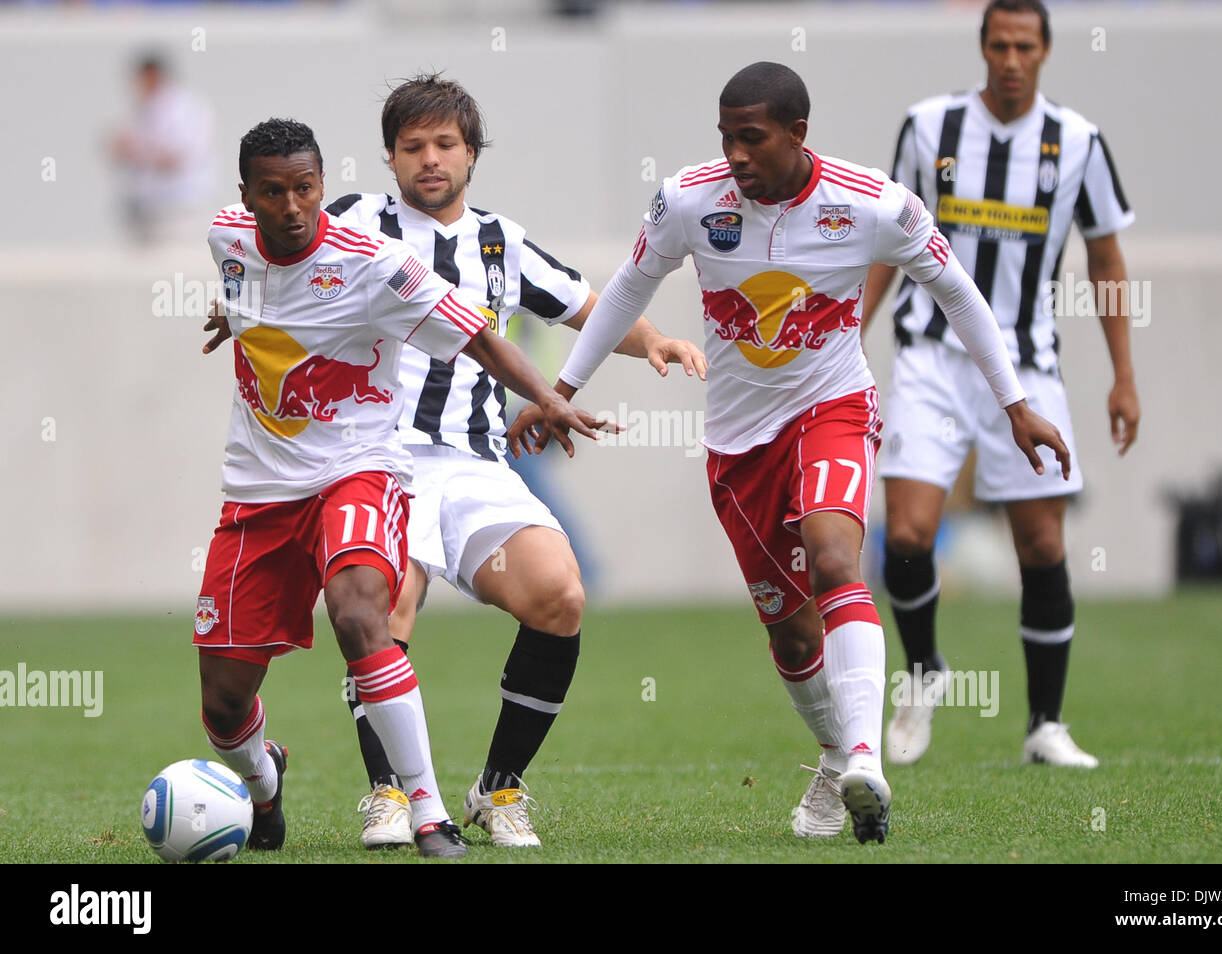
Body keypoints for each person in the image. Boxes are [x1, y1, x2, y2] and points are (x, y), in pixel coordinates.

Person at [522, 61, 1070, 844]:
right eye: (726, 137)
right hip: (739, 440)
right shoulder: (688, 199)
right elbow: (628, 290)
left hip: (834, 406)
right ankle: (832, 756)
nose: (736, 154)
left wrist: (1014, 404)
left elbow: (957, 292)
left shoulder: (874, 203)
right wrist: (563, 388)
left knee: (834, 554)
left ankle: (865, 760)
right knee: (790, 632)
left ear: (797, 133)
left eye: (752, 138)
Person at [195, 117, 601, 859]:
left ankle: (426, 809)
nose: (291, 207)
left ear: (323, 184)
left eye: (306, 189)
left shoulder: (375, 260)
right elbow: (257, 290)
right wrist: (237, 314)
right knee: (222, 706)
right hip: (257, 491)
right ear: (245, 196)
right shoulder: (227, 238)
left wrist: (547, 395)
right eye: (273, 192)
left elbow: (478, 335)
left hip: (362, 466)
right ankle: (263, 779)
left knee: (362, 613)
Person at [323, 73, 705, 849]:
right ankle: (390, 795)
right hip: (377, 460)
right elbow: (282, 250)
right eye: (412, 147)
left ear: (471, 154)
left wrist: (655, 339)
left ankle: (498, 788)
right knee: (388, 609)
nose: (430, 160)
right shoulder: (355, 222)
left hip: (473, 463)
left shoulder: (500, 241)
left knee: (560, 596)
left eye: (445, 145)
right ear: (390, 159)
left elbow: (587, 305)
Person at [860, 0, 1139, 769]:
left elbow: (1107, 260)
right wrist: (851, 333)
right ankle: (923, 672)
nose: (1011, 59)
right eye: (999, 45)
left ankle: (1045, 724)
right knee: (909, 535)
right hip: (929, 357)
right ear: (982, 47)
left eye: (1025, 45)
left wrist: (1123, 377)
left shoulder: (1077, 142)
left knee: (1043, 541)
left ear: (1045, 51)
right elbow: (889, 240)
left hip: (1028, 366)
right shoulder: (929, 128)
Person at [108, 54, 214, 244]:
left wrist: (134, 151)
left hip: (177, 211)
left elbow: (174, 159)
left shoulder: (182, 110)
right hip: (146, 210)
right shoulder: (144, 109)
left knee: (173, 267)